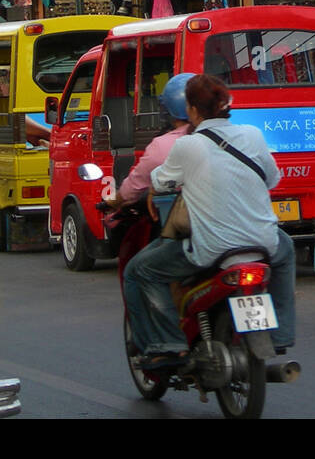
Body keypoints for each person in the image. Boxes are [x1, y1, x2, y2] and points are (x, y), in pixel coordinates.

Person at [124, 75, 295, 364]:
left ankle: (166, 343)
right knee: (287, 250)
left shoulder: (187, 146)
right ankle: (280, 334)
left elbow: (161, 181)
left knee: (138, 271)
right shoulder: (253, 135)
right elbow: (271, 179)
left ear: (192, 110)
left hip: (212, 248)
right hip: (263, 241)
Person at [106, 73, 194, 278]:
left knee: (135, 274)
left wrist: (113, 202)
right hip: (254, 237)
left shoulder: (164, 146)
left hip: (191, 237)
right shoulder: (240, 136)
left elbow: (133, 188)